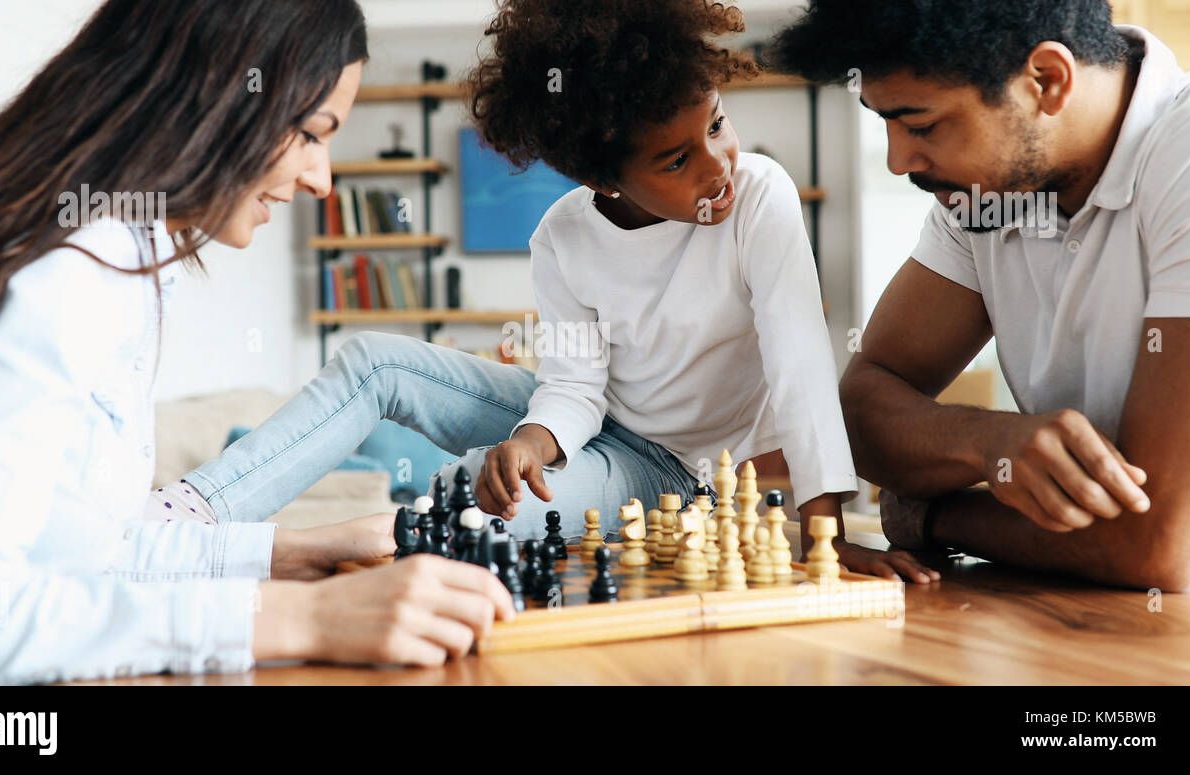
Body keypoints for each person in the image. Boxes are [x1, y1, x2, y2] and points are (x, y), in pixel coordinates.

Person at [175, 0, 936, 584]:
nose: (718, 165)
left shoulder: (761, 199)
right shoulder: (562, 236)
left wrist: (829, 540)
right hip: (586, 416)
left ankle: (316, 549)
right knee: (376, 363)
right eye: (676, 159)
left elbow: (802, 372)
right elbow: (573, 385)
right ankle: (186, 517)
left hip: (670, 468)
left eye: (719, 125)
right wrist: (532, 443)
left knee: (478, 505)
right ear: (605, 179)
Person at [0, 0, 514, 685]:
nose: (322, 179)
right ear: (219, 92)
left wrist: (292, 553)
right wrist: (301, 619)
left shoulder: (128, 252)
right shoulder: (73, 267)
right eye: (313, 133)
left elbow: (86, 554)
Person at [769, 0, 1190, 591]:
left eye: (921, 125)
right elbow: (860, 407)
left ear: (1047, 81)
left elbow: (1162, 547)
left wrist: (933, 517)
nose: (900, 161)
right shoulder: (984, 197)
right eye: (886, 124)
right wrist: (989, 442)